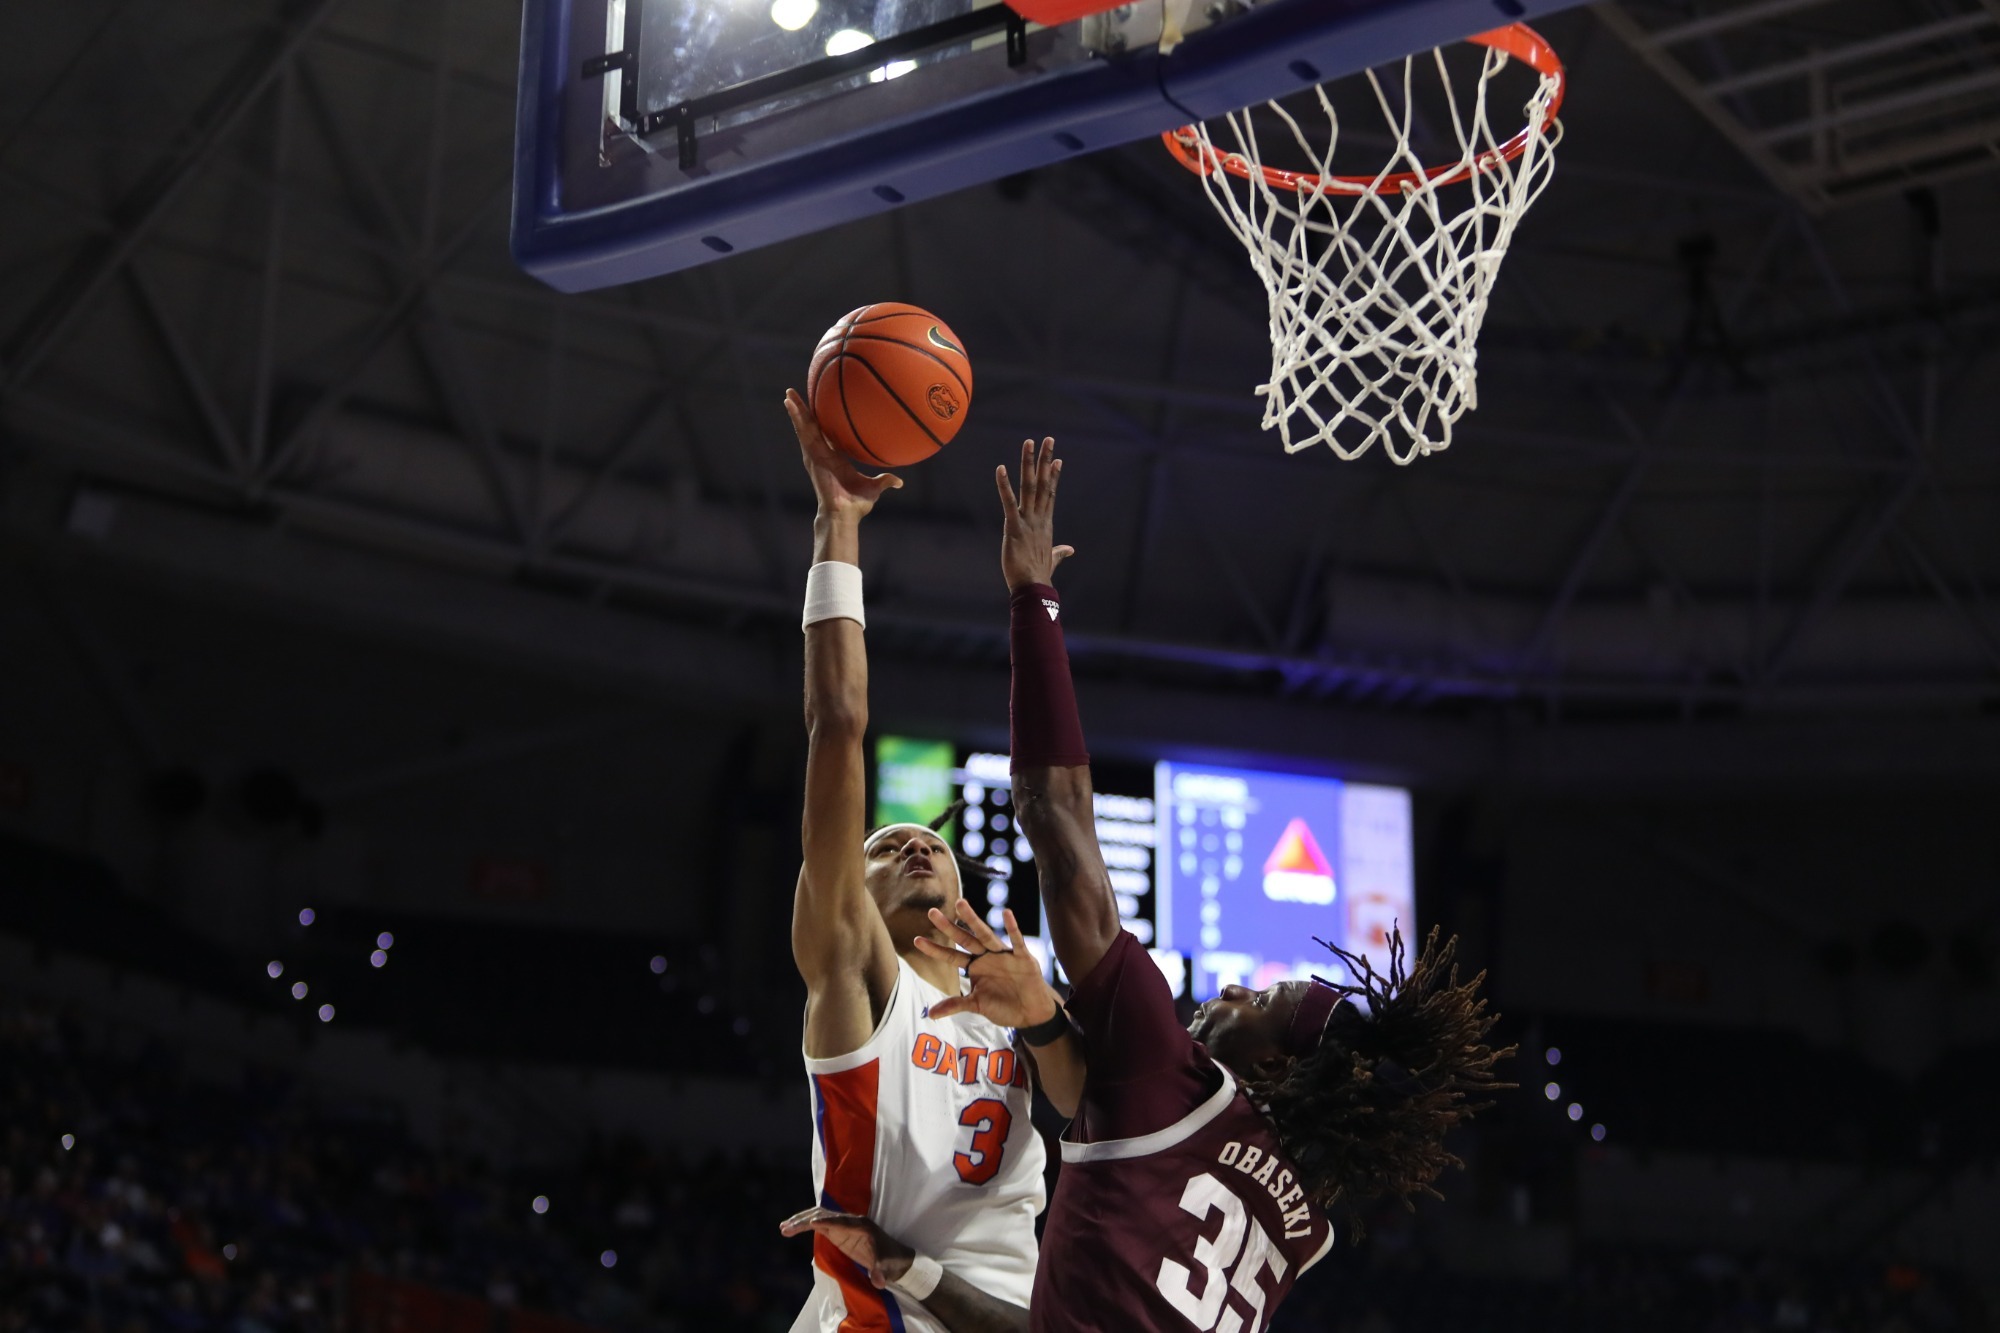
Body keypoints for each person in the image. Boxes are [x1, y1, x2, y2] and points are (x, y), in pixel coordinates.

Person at [918, 437, 1512, 1333]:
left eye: (1263, 995)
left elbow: (1054, 810)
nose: (1233, 985)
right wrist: (1042, 1019)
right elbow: (1107, 1113)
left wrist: (1032, 597)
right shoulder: (1300, 1226)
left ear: (1275, 1063)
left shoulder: (1167, 1065)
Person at [776, 391, 1086, 1333]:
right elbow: (839, 726)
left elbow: (1099, 1105)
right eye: (883, 845)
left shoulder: (1026, 1014)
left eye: (933, 845)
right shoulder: (858, 975)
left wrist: (1043, 1016)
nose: (914, 840)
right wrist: (837, 524)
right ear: (851, 893)